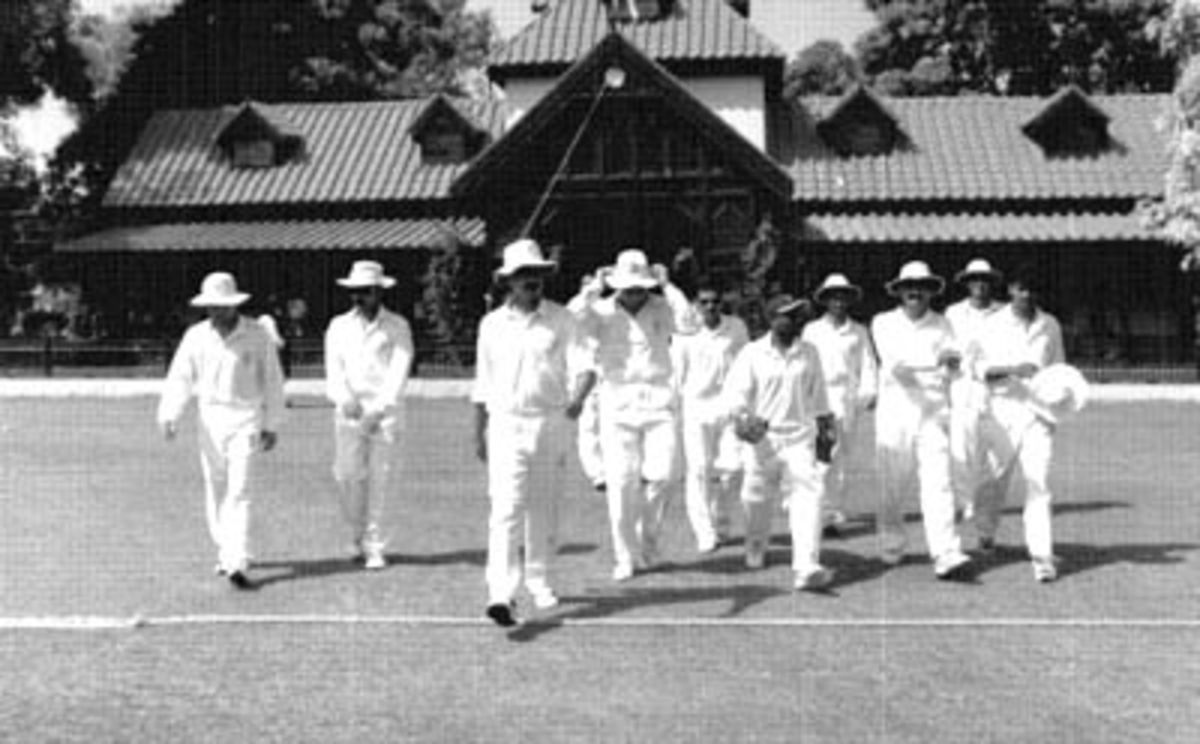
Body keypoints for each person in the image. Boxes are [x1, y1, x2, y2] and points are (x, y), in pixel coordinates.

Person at [472, 239, 596, 627]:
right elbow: (482, 384)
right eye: (524, 277)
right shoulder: (491, 324)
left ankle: (539, 579)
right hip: (506, 423)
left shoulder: (562, 319)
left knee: (543, 506)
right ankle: (501, 594)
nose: (532, 283)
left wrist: (577, 399)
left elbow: (586, 366)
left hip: (550, 420)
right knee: (506, 508)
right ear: (508, 282)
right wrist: (479, 433)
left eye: (537, 276)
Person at [573, 248, 698, 581]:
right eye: (628, 288)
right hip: (618, 403)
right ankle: (625, 555)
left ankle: (647, 539)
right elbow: (572, 320)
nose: (634, 294)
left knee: (666, 475)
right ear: (617, 286)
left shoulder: (662, 307)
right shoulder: (600, 311)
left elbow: (691, 323)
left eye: (640, 288)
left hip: (659, 400)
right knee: (622, 482)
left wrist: (668, 286)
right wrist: (591, 289)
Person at [157, 272, 285, 589]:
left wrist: (271, 424)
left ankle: (236, 559)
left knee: (240, 488)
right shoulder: (196, 336)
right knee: (216, 486)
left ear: (234, 304)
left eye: (222, 305)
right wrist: (170, 412)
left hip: (246, 417)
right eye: (211, 306)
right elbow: (180, 377)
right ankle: (226, 548)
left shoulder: (257, 335)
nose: (216, 312)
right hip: (210, 419)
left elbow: (272, 380)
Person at [722, 294, 837, 590]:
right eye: (788, 315)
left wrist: (826, 432)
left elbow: (820, 398)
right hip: (762, 441)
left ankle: (806, 565)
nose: (796, 320)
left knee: (809, 496)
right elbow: (735, 397)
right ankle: (756, 544)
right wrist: (743, 420)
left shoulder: (810, 352)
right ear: (772, 320)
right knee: (756, 500)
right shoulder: (752, 353)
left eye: (798, 315)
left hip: (800, 439)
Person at [871, 261, 973, 580]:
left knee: (938, 482)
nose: (914, 292)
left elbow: (955, 367)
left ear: (930, 291)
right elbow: (897, 368)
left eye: (921, 287)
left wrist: (950, 363)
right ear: (899, 291)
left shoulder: (943, 325)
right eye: (908, 287)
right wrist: (937, 362)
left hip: (933, 413)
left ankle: (945, 551)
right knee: (892, 485)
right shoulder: (883, 323)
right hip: (895, 414)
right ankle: (891, 543)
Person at [972, 265, 1071, 582]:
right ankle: (985, 531)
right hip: (1002, 410)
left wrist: (1059, 393)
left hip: (1039, 415)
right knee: (993, 482)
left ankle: (1041, 556)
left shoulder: (1049, 324)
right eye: (1021, 288)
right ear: (1011, 289)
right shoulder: (993, 324)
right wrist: (1014, 369)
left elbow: (1059, 369)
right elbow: (977, 368)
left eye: (1032, 289)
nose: (1026, 295)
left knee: (1038, 483)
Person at [324, 260, 414, 570]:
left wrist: (380, 409)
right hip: (349, 412)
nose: (359, 298)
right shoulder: (338, 325)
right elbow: (333, 369)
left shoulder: (398, 326)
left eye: (365, 292)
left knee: (383, 480)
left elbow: (400, 370)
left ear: (378, 291)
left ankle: (376, 545)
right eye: (354, 292)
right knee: (347, 475)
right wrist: (344, 397)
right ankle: (354, 535)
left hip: (385, 415)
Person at [673, 279, 749, 553]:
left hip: (729, 406)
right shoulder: (685, 334)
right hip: (695, 407)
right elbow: (677, 375)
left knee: (733, 468)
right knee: (700, 470)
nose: (710, 306)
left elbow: (745, 367)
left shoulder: (736, 327)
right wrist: (675, 410)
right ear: (696, 305)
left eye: (715, 301)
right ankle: (704, 532)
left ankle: (721, 521)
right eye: (704, 302)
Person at [801, 273, 878, 536]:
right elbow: (804, 364)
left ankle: (833, 512)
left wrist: (868, 392)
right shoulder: (812, 330)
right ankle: (819, 514)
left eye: (842, 296)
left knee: (842, 457)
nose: (838, 302)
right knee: (822, 455)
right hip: (819, 397)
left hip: (847, 397)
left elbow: (868, 363)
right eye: (833, 297)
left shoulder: (858, 331)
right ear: (825, 300)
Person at [945, 258, 1008, 523]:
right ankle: (963, 500)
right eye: (975, 280)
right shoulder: (953, 313)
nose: (980, 285)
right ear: (967, 284)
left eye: (985, 280)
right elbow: (946, 346)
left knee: (991, 449)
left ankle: (982, 500)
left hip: (996, 386)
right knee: (961, 445)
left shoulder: (1004, 313)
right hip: (962, 384)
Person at [566, 273, 606, 492]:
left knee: (611, 426)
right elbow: (582, 302)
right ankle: (597, 474)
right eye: (586, 283)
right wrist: (597, 282)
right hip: (584, 377)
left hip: (610, 375)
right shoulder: (575, 307)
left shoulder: (607, 309)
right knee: (589, 426)